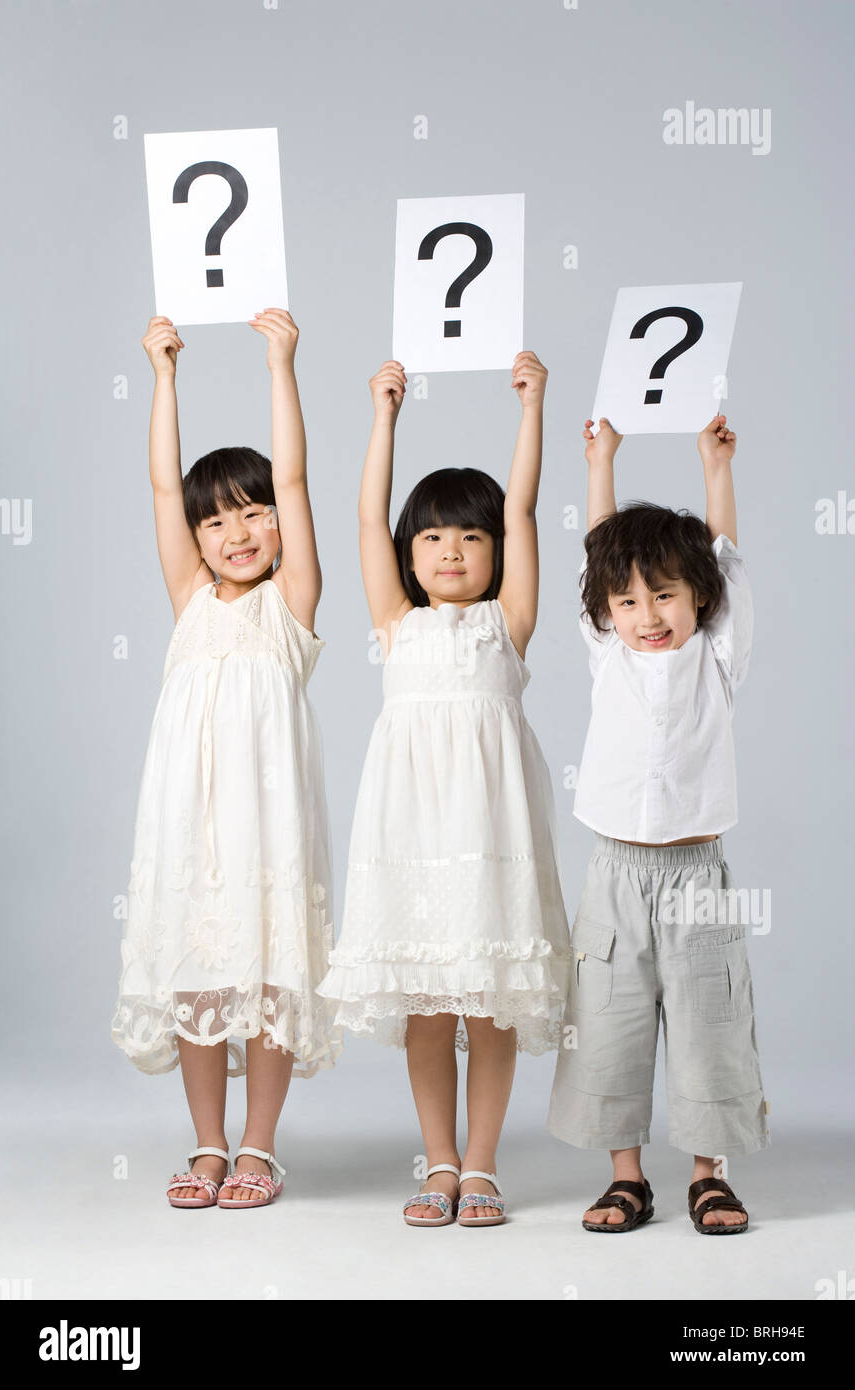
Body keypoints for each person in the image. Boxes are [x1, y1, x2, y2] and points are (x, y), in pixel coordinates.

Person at [316, 352, 570, 1226]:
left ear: (495, 551)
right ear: (408, 555)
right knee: (429, 1003)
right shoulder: (397, 624)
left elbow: (528, 505)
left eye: (470, 535)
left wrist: (533, 409)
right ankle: (438, 1161)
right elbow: (362, 516)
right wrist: (385, 414)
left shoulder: (510, 623)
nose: (450, 550)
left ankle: (485, 1165)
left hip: (490, 831)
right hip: (412, 834)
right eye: (430, 537)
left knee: (488, 1003)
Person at [111, 308, 341, 1208]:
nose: (237, 530)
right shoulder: (188, 599)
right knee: (199, 973)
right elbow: (166, 492)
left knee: (267, 968)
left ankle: (257, 1147)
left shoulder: (292, 604)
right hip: (186, 822)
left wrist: (280, 361)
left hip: (268, 826)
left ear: (278, 523)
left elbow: (295, 470)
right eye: (218, 522)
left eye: (253, 513)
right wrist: (165, 376)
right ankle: (207, 1144)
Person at [547, 413, 769, 1234]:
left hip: (697, 869)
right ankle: (626, 1176)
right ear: (608, 609)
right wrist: (603, 459)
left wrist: (715, 468)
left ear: (696, 598)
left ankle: (710, 1174)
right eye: (630, 600)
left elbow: (730, 566)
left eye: (665, 596)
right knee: (611, 1016)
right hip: (615, 871)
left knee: (711, 1018)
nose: (647, 615)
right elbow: (598, 548)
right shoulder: (610, 653)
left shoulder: (716, 656)